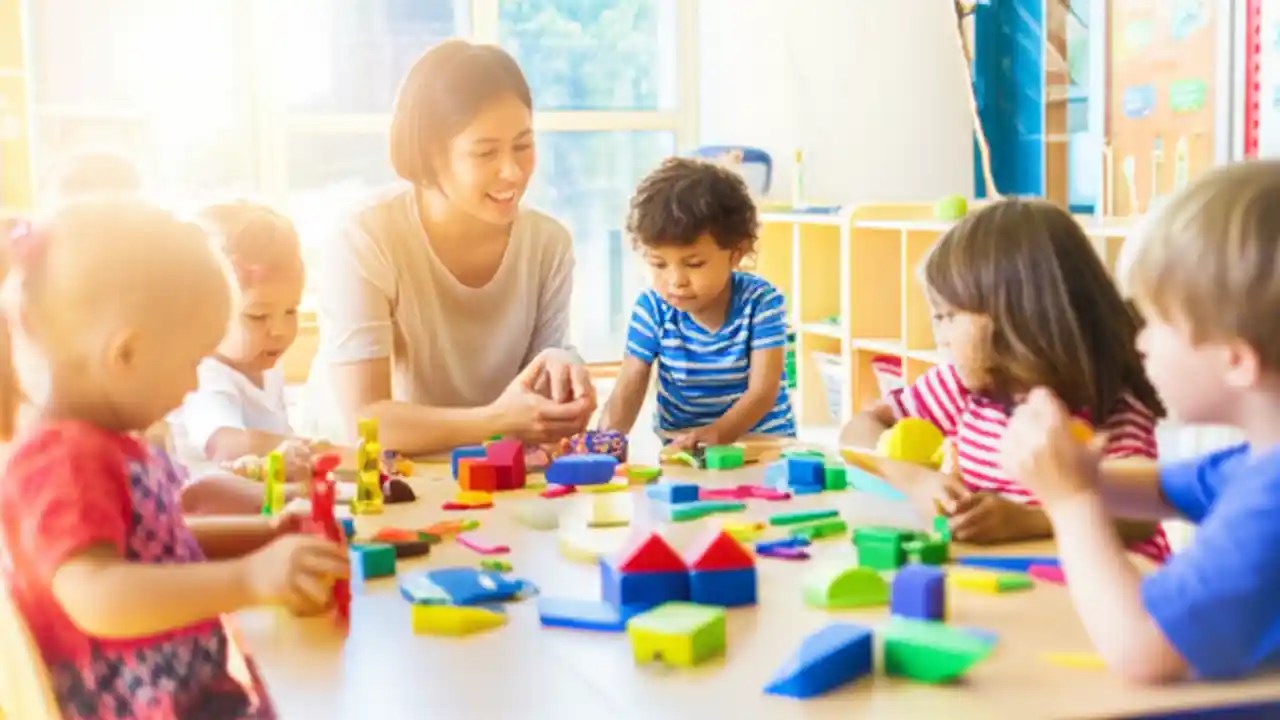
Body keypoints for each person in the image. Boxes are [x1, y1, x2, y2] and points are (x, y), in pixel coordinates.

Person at [0, 199, 348, 718]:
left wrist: (271, 532)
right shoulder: (63, 462)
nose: (192, 385)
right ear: (127, 354)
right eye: (192, 362)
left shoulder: (112, 443)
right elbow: (97, 595)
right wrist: (249, 579)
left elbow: (161, 542)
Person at [1001, 161, 1280, 683]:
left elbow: (1143, 650)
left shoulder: (1272, 499)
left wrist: (1070, 502)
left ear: (1236, 360)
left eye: (1156, 323)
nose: (1141, 342)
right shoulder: (1259, 465)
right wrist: (1068, 469)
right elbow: (1163, 489)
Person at [839, 199, 1168, 559]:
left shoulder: (1108, 407)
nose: (941, 336)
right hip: (1009, 585)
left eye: (949, 316)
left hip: (1102, 593)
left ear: (1013, 317)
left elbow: (1140, 514)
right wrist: (916, 479)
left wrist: (1028, 520)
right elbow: (858, 430)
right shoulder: (964, 388)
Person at [309, 40, 593, 454]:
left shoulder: (548, 243)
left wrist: (564, 371)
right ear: (429, 155)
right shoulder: (366, 236)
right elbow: (365, 423)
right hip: (371, 477)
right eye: (485, 152)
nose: (512, 171)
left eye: (523, 145)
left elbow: (538, 390)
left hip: (489, 471)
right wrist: (499, 419)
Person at [597, 158, 795, 448]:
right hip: (683, 448)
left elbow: (763, 393)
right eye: (658, 264)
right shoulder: (652, 308)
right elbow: (631, 381)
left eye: (694, 263)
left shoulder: (761, 303)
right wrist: (605, 441)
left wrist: (720, 434)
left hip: (759, 445)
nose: (676, 280)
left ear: (736, 254)